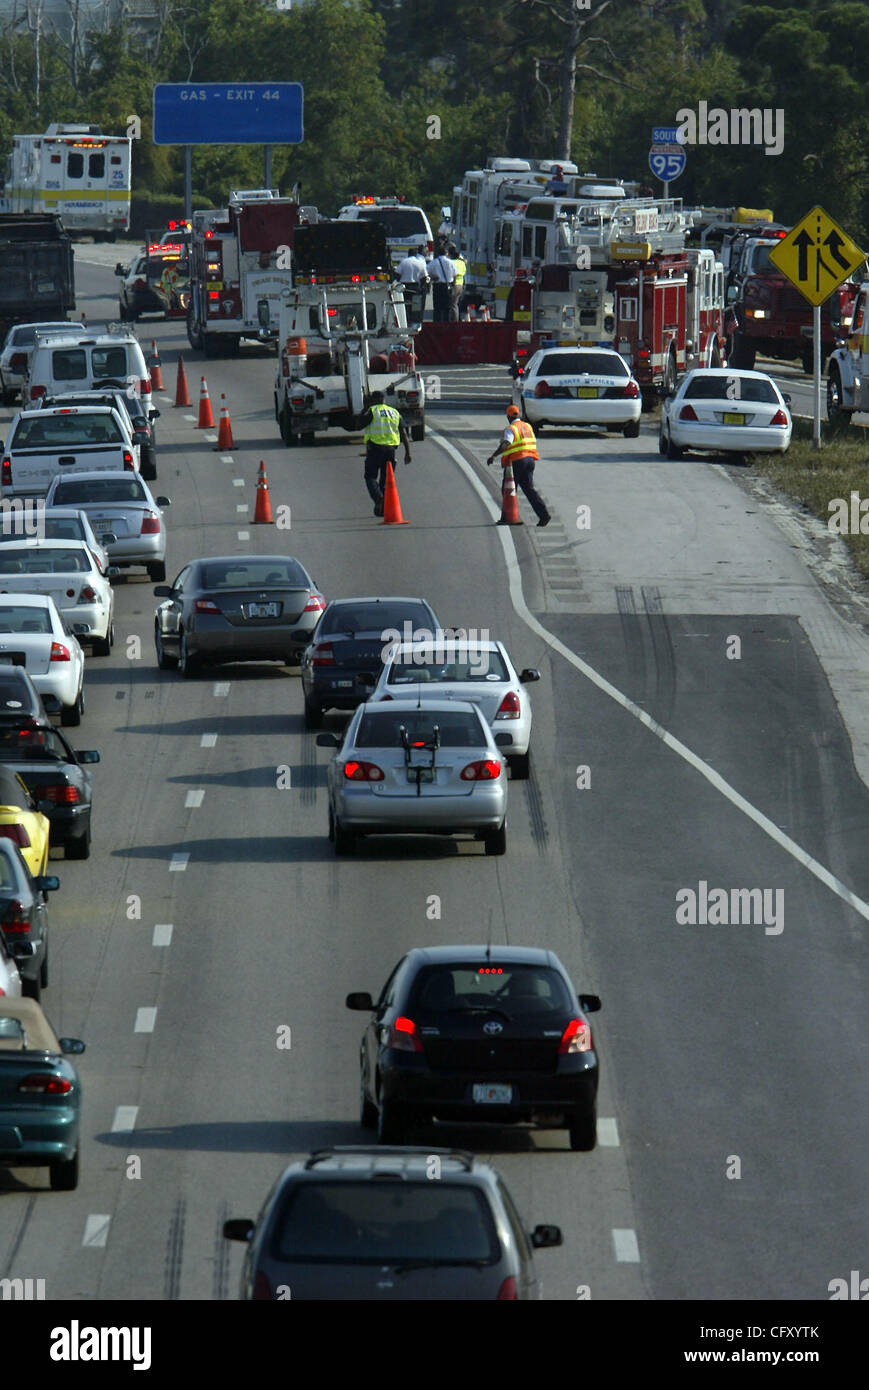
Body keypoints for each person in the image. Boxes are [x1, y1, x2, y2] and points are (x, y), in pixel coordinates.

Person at [487, 404, 551, 526]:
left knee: (508, 489)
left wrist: (494, 455)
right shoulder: (527, 426)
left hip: (517, 461)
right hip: (530, 460)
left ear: (508, 416)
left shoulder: (511, 428)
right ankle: (544, 515)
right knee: (529, 489)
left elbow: (506, 443)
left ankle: (509, 517)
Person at [362, 390, 411, 516]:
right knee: (385, 479)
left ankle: (379, 499)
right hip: (391, 451)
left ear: (373, 400)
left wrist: (364, 409)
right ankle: (382, 507)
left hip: (375, 449)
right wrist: (407, 453)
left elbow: (358, 425)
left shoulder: (372, 411)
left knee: (370, 476)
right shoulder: (394, 412)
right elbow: (404, 434)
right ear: (384, 400)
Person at [395, 250, 429, 327]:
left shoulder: (404, 262)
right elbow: (424, 277)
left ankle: (405, 322)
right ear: (416, 254)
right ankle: (414, 323)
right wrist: (421, 287)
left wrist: (398, 282)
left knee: (404, 305)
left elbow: (397, 273)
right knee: (415, 306)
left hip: (404, 286)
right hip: (415, 287)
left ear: (408, 254)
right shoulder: (419, 262)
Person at [428, 248, 456, 323]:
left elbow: (427, 273)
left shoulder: (434, 262)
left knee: (437, 308)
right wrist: (453, 285)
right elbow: (455, 275)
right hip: (448, 286)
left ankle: (437, 325)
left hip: (438, 286)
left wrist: (433, 277)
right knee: (448, 307)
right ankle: (447, 324)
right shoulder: (451, 262)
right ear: (446, 253)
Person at [448, 242, 467, 322]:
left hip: (455, 284)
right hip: (461, 284)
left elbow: (452, 274)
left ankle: (454, 321)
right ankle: (457, 318)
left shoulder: (452, 263)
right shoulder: (462, 263)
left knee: (453, 304)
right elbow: (464, 272)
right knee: (457, 303)